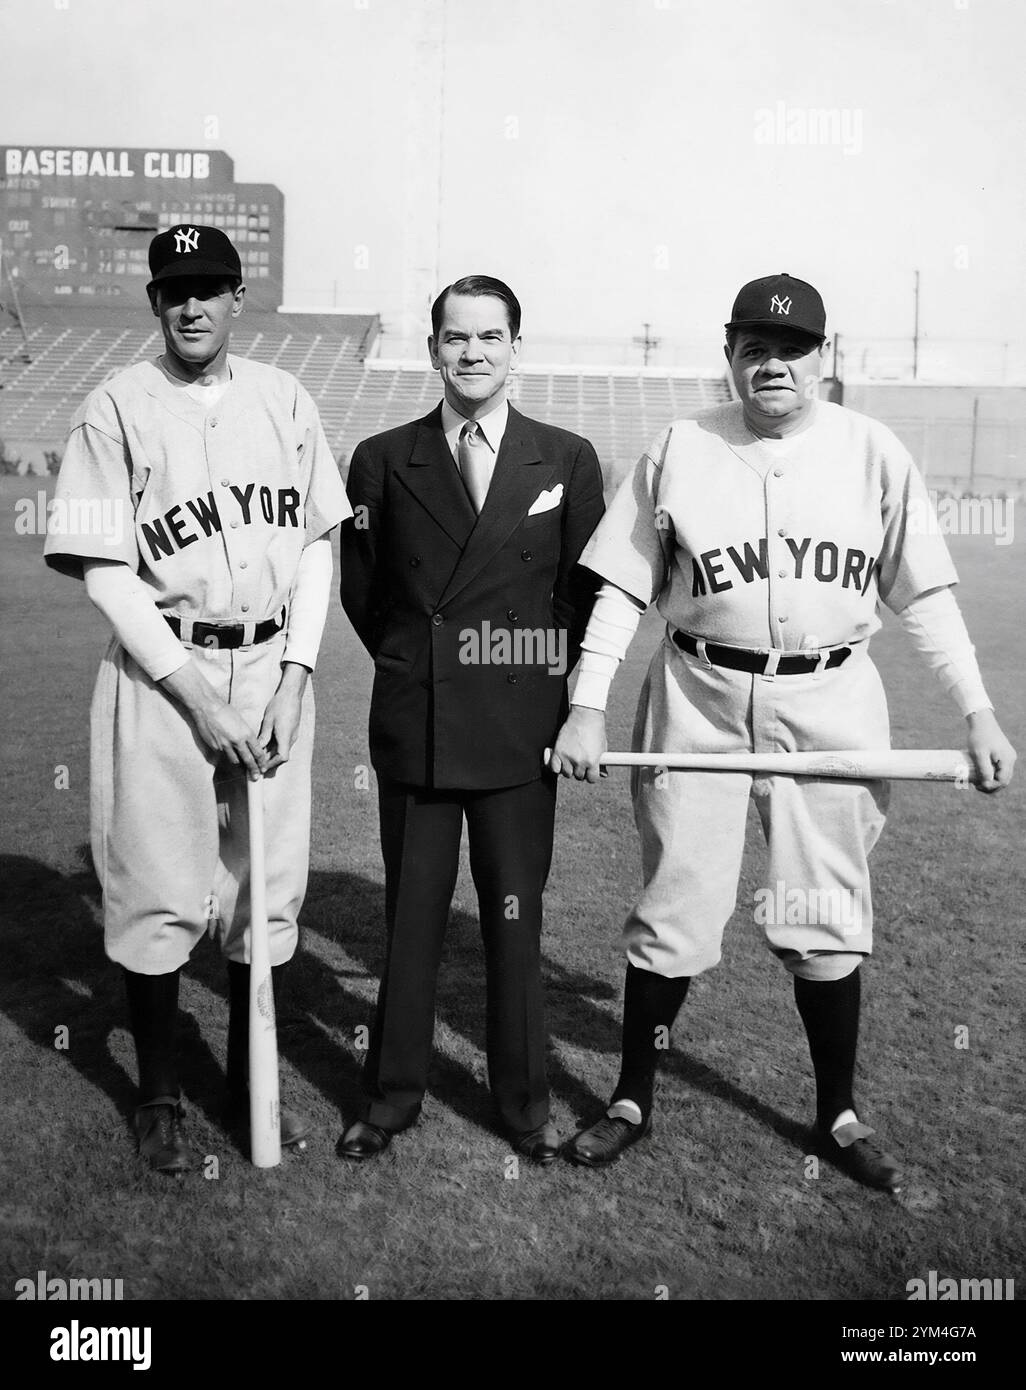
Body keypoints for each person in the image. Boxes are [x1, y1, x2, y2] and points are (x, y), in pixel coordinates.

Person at [550, 272, 1016, 1190]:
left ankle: (837, 1114)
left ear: (822, 358)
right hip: (699, 694)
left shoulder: (873, 450)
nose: (773, 365)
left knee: (825, 914)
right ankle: (632, 1099)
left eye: (791, 349)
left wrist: (978, 710)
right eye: (754, 348)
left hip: (832, 699)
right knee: (676, 908)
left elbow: (924, 596)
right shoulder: (681, 446)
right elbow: (622, 590)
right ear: (730, 356)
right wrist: (588, 702)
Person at [44, 224, 351, 1173]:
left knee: (264, 885)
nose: (192, 305)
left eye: (210, 288)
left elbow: (314, 548)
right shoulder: (114, 407)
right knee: (156, 885)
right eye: (176, 289)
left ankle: (247, 1084)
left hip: (269, 673)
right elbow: (105, 571)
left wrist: (297, 677)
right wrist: (196, 699)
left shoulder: (285, 398)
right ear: (155, 302)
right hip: (161, 674)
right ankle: (160, 1094)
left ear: (236, 298)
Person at [338, 275, 605, 1163]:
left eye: (491, 338)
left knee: (514, 923)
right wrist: (428, 664)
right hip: (418, 725)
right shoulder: (382, 456)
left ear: (516, 350)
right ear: (433, 351)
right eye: (457, 339)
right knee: (410, 925)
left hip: (521, 733)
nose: (473, 354)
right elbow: (367, 597)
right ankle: (390, 1099)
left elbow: (581, 597)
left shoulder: (565, 459)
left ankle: (523, 1107)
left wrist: (532, 687)